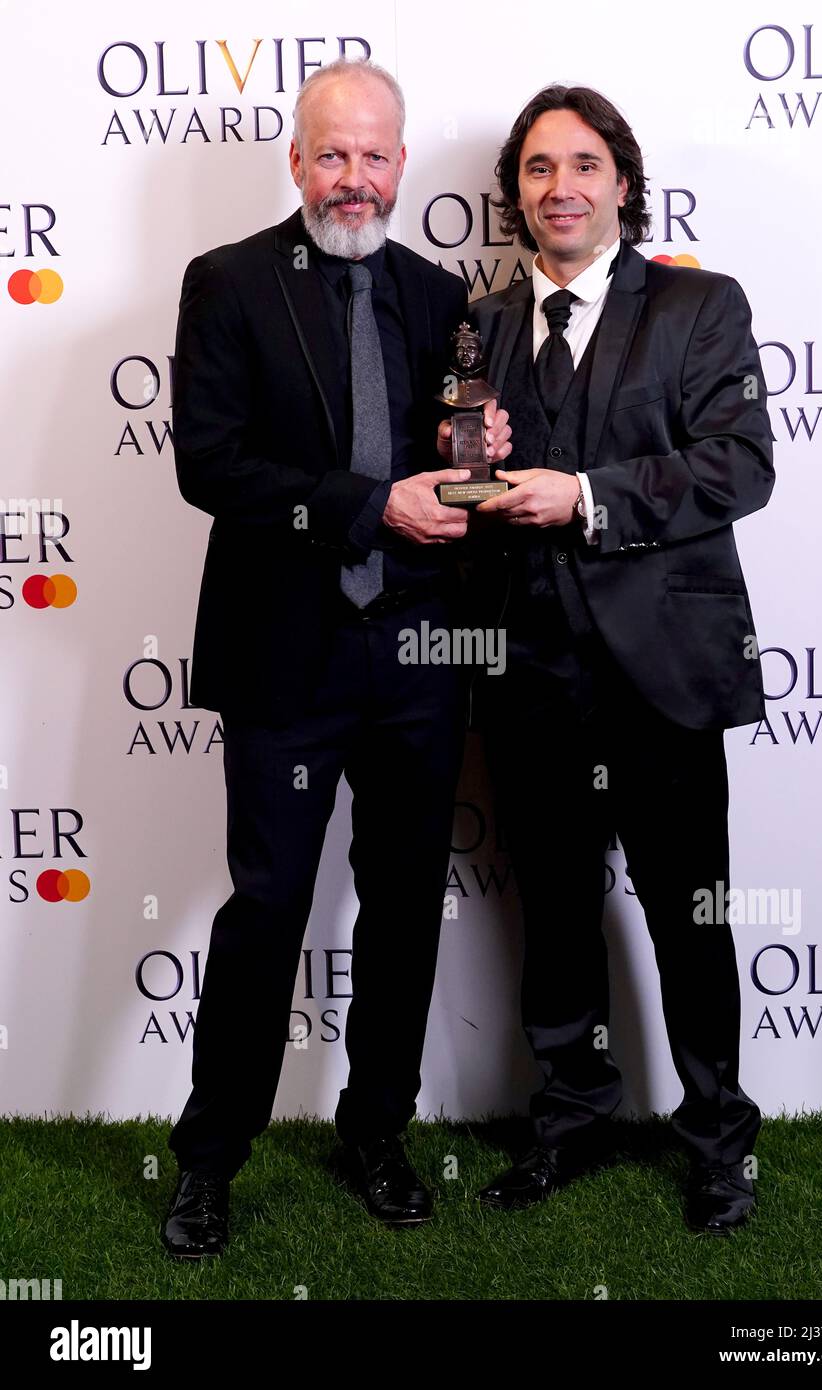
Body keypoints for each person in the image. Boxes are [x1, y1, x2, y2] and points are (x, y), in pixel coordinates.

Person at [162, 56, 511, 1257]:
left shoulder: (441, 296)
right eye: (332, 153)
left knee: (407, 904)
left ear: (400, 165)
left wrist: (480, 449)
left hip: (414, 655)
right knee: (267, 910)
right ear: (297, 159)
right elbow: (209, 466)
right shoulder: (229, 283)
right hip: (283, 660)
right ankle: (209, 1157)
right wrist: (368, 508)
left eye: (374, 156)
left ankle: (377, 1132)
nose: (353, 178)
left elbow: (457, 467)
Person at [461, 84, 774, 1233]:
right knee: (553, 913)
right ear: (516, 194)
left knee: (690, 917)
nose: (562, 189)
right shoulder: (477, 326)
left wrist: (586, 494)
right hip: (527, 675)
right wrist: (462, 472)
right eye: (539, 170)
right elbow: (456, 485)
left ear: (622, 187)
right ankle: (570, 1120)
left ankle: (717, 1142)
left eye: (583, 166)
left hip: (664, 672)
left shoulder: (699, 307)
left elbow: (738, 465)